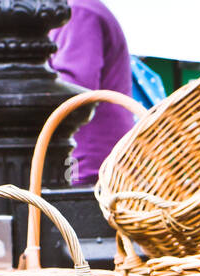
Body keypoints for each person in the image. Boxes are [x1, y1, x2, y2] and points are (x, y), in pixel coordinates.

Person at [50, 0, 133, 185]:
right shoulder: (75, 9)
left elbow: (74, 90)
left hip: (92, 159)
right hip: (95, 156)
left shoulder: (77, 11)